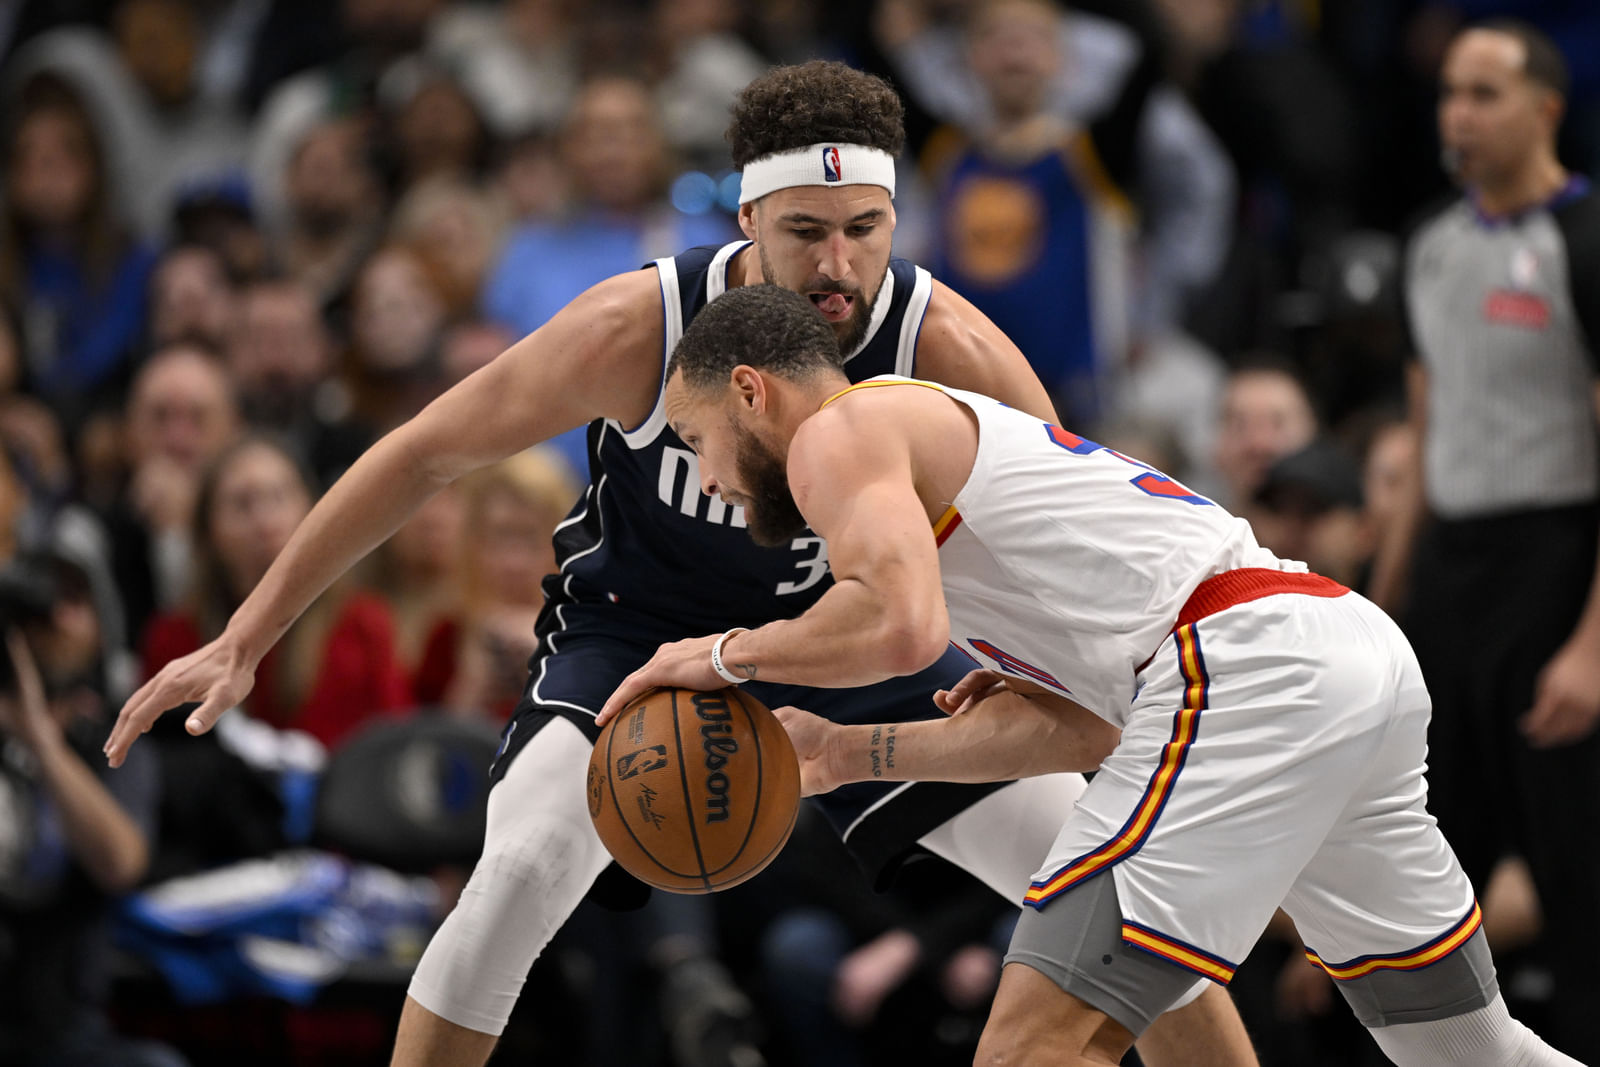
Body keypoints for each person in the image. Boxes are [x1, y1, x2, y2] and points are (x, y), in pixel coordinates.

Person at [105, 61, 1253, 1067]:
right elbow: (422, 454)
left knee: (1116, 892)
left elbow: (1059, 556)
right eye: (806, 231)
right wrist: (244, 636)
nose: (838, 263)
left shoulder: (948, 349)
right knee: (523, 866)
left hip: (865, 637)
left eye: (865, 227)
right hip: (639, 631)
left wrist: (1057, 699)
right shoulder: (638, 327)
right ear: (746, 219)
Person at [600, 282, 1579, 1067]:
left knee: (1031, 1043)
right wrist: (846, 751)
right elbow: (1090, 732)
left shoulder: (839, 431)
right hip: (1334, 654)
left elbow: (898, 626)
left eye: (695, 441)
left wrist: (718, 651)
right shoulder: (959, 506)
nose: (709, 480)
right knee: (1468, 1049)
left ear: (750, 391)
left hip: (1248, 668)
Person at [1367, 19, 1600, 1061]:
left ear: (1545, 108)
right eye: (1449, 93)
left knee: (1576, 875)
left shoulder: (1584, 239)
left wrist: (1591, 646)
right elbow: (1425, 438)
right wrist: (1381, 610)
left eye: (1484, 94)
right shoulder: (1430, 243)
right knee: (1430, 865)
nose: (1457, 114)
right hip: (1450, 573)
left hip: (1557, 567)